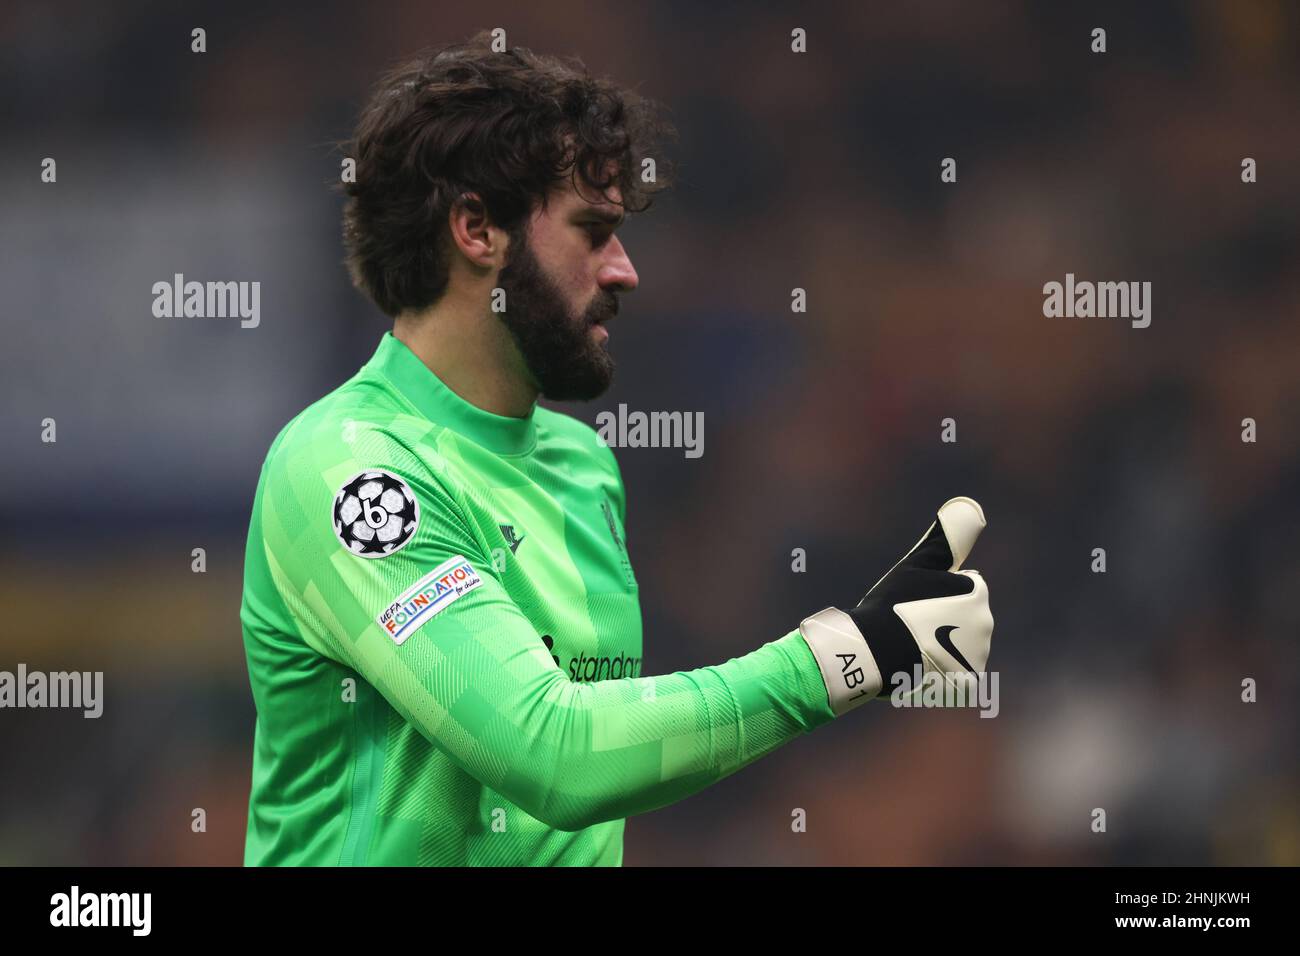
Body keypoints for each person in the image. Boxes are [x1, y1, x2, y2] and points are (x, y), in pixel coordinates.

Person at [240, 31, 994, 866]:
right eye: (592, 231)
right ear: (475, 229)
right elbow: (555, 756)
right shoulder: (348, 470)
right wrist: (850, 656)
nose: (626, 270)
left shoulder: (583, 464)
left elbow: (610, 761)